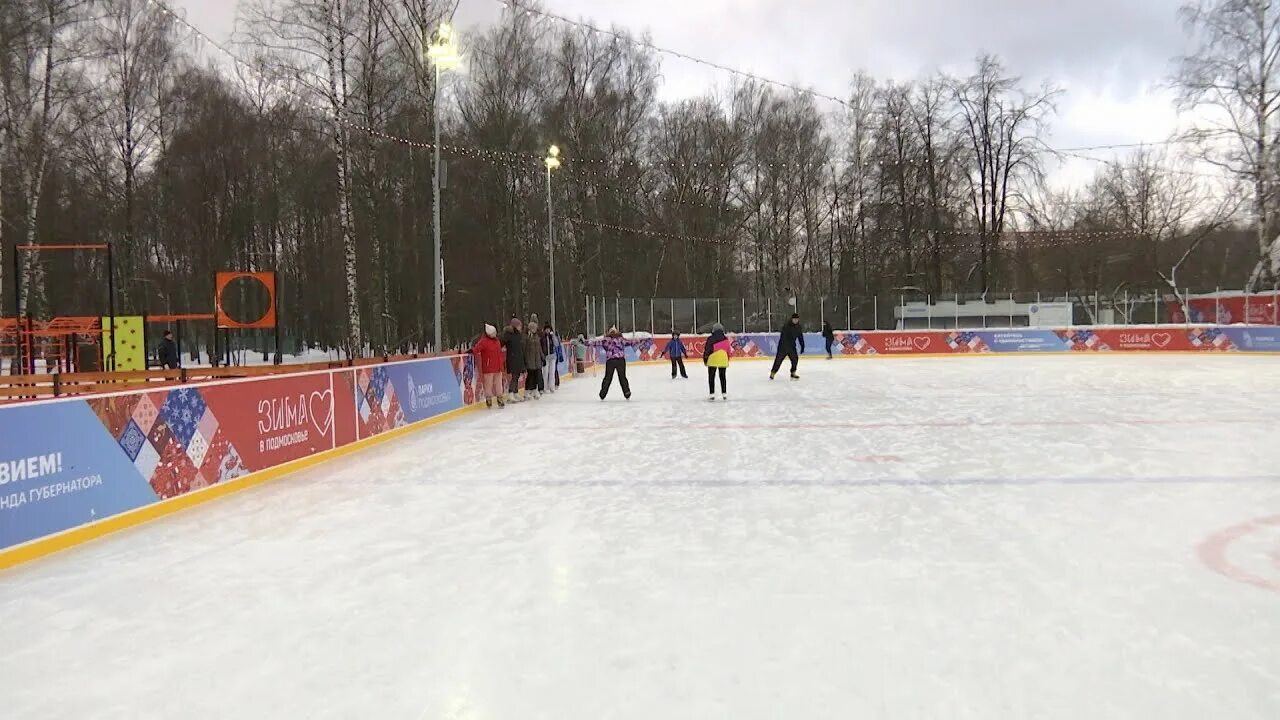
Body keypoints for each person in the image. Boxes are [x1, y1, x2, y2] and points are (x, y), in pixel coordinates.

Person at [592, 326, 635, 400]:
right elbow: (631, 342)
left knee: (608, 378)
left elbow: (594, 343)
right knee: (622, 377)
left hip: (610, 360)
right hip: (620, 360)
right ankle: (626, 392)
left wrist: (583, 342)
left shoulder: (606, 340)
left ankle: (603, 394)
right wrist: (643, 340)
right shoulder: (621, 340)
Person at [471, 324, 506, 408]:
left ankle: (500, 398)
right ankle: (488, 399)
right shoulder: (484, 341)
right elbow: (476, 349)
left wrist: (501, 364)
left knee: (498, 384)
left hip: (498, 366)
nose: (495, 334)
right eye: (493, 332)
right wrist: (471, 351)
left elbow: (499, 353)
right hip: (488, 366)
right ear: (489, 333)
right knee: (488, 384)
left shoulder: (497, 341)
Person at [770, 313, 805, 380]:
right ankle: (773, 373)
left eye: (797, 319)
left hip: (792, 346)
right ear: (792, 319)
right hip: (783, 347)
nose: (796, 320)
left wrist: (802, 346)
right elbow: (783, 337)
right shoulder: (786, 326)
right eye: (794, 319)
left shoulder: (798, 327)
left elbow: (800, 337)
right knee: (778, 360)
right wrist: (785, 347)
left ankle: (793, 372)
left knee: (795, 359)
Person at [703, 323, 731, 401]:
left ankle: (712, 394)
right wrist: (727, 358)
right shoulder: (726, 339)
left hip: (713, 359)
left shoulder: (710, 339)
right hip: (723, 359)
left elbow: (707, 350)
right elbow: (729, 350)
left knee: (711, 377)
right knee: (723, 377)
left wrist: (705, 359)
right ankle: (724, 393)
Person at [502, 317, 527, 402]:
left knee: (517, 376)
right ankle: (511, 393)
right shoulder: (509, 335)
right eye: (519, 326)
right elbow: (502, 343)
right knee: (514, 376)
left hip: (518, 358)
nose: (520, 327)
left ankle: (515, 392)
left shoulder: (518, 335)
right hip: (512, 358)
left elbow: (520, 347)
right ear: (515, 326)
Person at [523, 321, 545, 399]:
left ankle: (534, 390)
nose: (534, 330)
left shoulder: (536, 337)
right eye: (533, 328)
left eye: (535, 328)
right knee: (530, 377)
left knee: (536, 376)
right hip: (530, 360)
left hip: (537, 360)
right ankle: (527, 391)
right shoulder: (527, 337)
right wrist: (525, 360)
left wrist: (542, 357)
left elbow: (539, 349)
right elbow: (524, 349)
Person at [541, 324, 559, 394]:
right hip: (545, 357)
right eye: (546, 329)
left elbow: (557, 344)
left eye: (549, 329)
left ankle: (551, 386)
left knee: (552, 372)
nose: (548, 330)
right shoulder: (543, 337)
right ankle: (544, 387)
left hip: (552, 357)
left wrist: (553, 336)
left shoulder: (552, 337)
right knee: (545, 373)